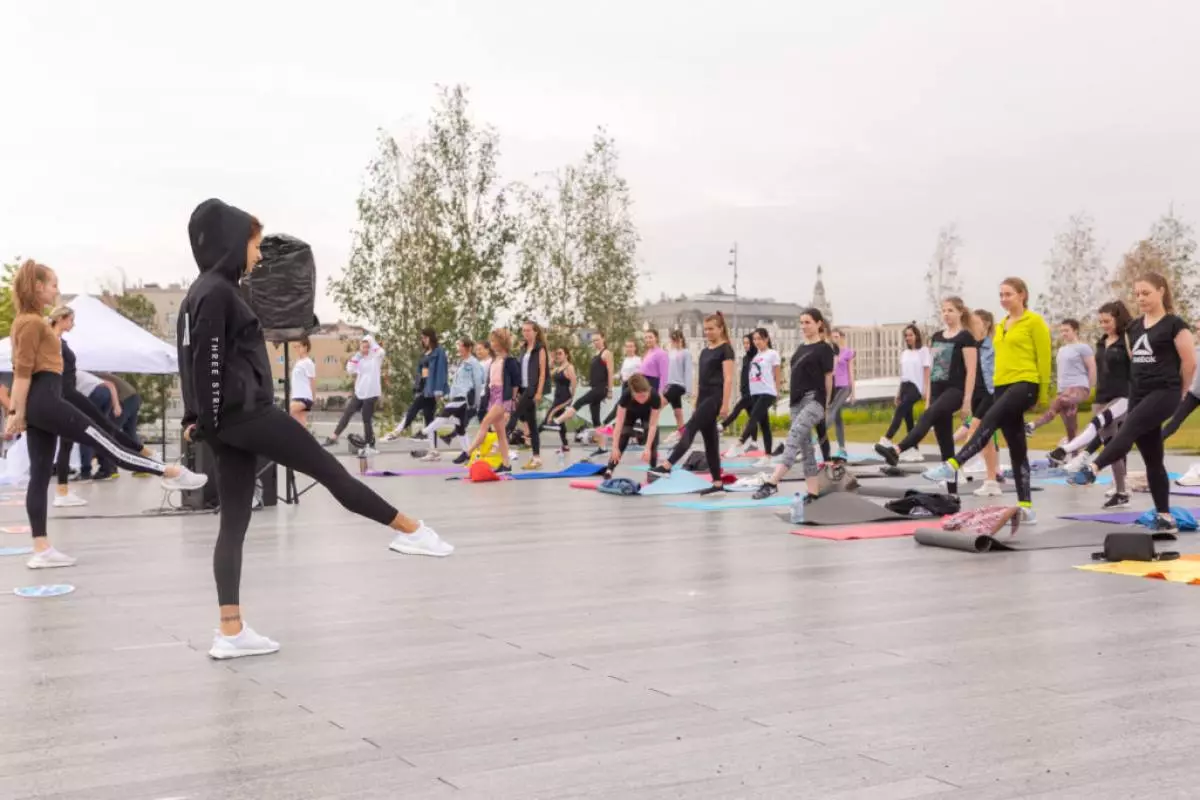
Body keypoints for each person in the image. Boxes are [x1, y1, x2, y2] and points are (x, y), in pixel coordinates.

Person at [178, 199, 453, 660]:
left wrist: (196, 419)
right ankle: (411, 530)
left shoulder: (197, 295)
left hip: (227, 424)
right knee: (330, 471)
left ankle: (231, 629)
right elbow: (206, 360)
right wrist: (203, 419)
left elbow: (189, 362)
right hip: (247, 415)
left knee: (234, 523)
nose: (260, 256)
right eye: (254, 245)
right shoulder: (220, 293)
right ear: (231, 241)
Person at [7, 260, 207, 570]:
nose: (57, 290)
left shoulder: (25, 322)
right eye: (53, 284)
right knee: (110, 446)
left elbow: (23, 374)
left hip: (39, 404)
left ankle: (41, 548)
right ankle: (172, 474)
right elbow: (22, 373)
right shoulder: (33, 323)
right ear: (36, 287)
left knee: (39, 475)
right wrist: (14, 414)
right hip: (47, 400)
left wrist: (19, 412)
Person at [1067, 273, 1195, 532]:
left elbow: (1189, 362)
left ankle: (1093, 466)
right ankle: (1165, 516)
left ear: (1161, 291)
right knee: (1153, 458)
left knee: (1130, 426)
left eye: (1146, 293)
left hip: (1165, 391)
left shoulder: (1175, 324)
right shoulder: (1133, 328)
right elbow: (1134, 362)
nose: (1141, 298)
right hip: (1139, 392)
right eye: (1137, 294)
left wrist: (1181, 392)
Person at [924, 277, 1051, 524]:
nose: (1004, 299)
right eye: (1001, 295)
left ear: (1022, 295)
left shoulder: (1034, 322)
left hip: (1025, 383)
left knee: (988, 421)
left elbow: (1044, 359)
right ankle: (1026, 506)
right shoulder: (1002, 325)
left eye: (1009, 294)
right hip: (1002, 387)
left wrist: (1042, 395)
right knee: (1017, 447)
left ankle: (954, 463)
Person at [48, 307, 160, 504]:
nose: (73, 324)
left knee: (67, 443)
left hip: (66, 394)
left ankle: (62, 491)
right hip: (68, 395)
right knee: (103, 426)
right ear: (62, 319)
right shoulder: (53, 341)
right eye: (71, 320)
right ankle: (145, 452)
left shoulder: (59, 340)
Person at [875, 298, 977, 495]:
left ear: (960, 313)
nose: (946, 314)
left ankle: (896, 450)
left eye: (950, 310)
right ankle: (953, 494)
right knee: (946, 446)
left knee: (926, 417)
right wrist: (929, 398)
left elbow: (971, 371)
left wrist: (967, 401)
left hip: (955, 390)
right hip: (938, 391)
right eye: (944, 310)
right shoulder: (937, 337)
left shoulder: (966, 337)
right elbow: (934, 370)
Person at [1046, 302, 1132, 508]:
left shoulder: (1128, 341)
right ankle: (1121, 492)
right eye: (1101, 321)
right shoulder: (1102, 342)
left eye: (1107, 321)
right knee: (1112, 447)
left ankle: (1066, 449)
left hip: (1123, 397)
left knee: (1096, 423)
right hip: (1101, 397)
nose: (1103, 325)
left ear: (1118, 319)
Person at [752, 309, 835, 505]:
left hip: (814, 399)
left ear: (819, 324)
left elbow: (828, 379)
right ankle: (813, 494)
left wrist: (826, 405)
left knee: (793, 437)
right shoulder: (799, 348)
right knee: (806, 450)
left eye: (808, 322)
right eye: (802, 322)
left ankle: (773, 482)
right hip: (795, 402)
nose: (804, 326)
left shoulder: (824, 349)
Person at [649, 312, 735, 492]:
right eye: (706, 329)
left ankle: (667, 466)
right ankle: (718, 483)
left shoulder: (726, 349)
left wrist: (725, 404)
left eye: (711, 329)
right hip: (703, 397)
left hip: (715, 397)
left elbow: (728, 379)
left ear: (720, 329)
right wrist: (696, 399)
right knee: (711, 441)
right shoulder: (704, 351)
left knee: (690, 427)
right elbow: (699, 377)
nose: (708, 332)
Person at [406, 338, 486, 463]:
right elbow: (456, 382)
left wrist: (475, 404)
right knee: (460, 428)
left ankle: (424, 432)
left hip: (465, 398)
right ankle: (468, 453)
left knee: (444, 413)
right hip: (457, 396)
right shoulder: (462, 363)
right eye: (458, 346)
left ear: (468, 348)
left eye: (460, 346)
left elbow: (478, 383)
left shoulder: (474, 363)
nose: (458, 348)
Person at [954, 309, 1004, 497]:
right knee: (987, 439)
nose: (971, 326)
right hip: (976, 394)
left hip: (990, 394)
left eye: (975, 323)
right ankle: (991, 481)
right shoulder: (970, 345)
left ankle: (956, 465)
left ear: (986, 324)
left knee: (974, 429)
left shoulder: (994, 345)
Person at [1026, 319, 1095, 441]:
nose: (1063, 333)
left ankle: (1033, 425)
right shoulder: (1061, 350)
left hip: (1078, 387)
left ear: (1075, 331)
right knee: (1071, 429)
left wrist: (1088, 388)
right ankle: (1074, 456)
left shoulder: (1083, 347)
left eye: (1067, 330)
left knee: (1059, 403)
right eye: (1062, 331)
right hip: (1062, 390)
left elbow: (1092, 368)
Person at [465, 328, 520, 474]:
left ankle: (468, 452)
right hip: (493, 396)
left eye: (494, 340)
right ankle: (506, 464)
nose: (492, 343)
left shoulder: (510, 361)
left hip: (504, 397)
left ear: (501, 342)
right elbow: (490, 381)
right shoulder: (495, 360)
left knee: (485, 422)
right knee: (501, 434)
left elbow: (516, 383)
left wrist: (510, 404)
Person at [724, 328, 780, 466]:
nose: (756, 342)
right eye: (754, 339)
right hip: (755, 393)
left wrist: (777, 392)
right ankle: (767, 456)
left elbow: (777, 374)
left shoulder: (772, 354)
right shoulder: (756, 356)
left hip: (767, 392)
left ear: (766, 339)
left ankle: (739, 443)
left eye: (759, 339)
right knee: (764, 425)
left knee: (753, 417)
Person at [324, 335, 385, 452]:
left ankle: (369, 444)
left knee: (366, 418)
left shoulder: (376, 358)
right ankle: (334, 437)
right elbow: (350, 369)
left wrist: (372, 345)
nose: (365, 349)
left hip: (371, 393)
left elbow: (382, 351)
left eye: (368, 347)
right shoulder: (359, 359)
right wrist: (358, 355)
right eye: (363, 347)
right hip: (360, 391)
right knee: (347, 413)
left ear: (371, 346)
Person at [879, 324, 930, 454]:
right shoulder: (905, 353)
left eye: (910, 335)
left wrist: (926, 390)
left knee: (900, 410)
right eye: (906, 335)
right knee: (908, 419)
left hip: (916, 387)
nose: (908, 338)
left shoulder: (923, 351)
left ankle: (887, 438)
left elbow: (926, 372)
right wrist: (898, 393)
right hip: (905, 386)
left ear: (917, 335)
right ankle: (914, 449)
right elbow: (903, 375)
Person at [504, 321, 549, 470]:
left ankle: (502, 439)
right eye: (524, 330)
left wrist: (539, 392)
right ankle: (536, 457)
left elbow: (542, 372)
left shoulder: (540, 349)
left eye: (529, 330)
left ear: (535, 332)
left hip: (532, 388)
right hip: (523, 388)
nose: (526, 333)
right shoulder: (523, 348)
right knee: (532, 424)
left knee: (515, 414)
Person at [550, 332, 612, 434]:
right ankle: (602, 448)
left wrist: (609, 391)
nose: (595, 342)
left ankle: (557, 421)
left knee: (579, 402)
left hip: (600, 388)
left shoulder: (606, 353)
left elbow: (610, 372)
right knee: (595, 420)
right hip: (595, 388)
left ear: (603, 339)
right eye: (593, 341)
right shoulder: (596, 354)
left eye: (597, 340)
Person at [603, 373, 664, 476]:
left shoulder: (655, 396)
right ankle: (609, 469)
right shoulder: (626, 395)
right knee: (623, 436)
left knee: (653, 439)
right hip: (630, 413)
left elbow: (653, 424)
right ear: (632, 393)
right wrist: (614, 447)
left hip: (646, 414)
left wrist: (647, 448)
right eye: (638, 396)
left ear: (648, 390)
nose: (641, 400)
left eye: (644, 396)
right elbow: (619, 423)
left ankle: (653, 471)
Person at [403, 329, 449, 442]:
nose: (423, 340)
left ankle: (399, 429)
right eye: (422, 338)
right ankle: (433, 450)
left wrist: (438, 390)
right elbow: (420, 371)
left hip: (431, 388)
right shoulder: (425, 352)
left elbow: (441, 371)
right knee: (429, 419)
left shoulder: (439, 351)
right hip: (423, 386)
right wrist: (417, 387)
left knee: (414, 408)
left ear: (431, 337)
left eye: (425, 337)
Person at [541, 347, 577, 453]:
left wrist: (572, 398)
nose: (558, 356)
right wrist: (551, 361)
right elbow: (547, 373)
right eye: (557, 354)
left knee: (547, 419)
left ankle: (531, 440)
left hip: (564, 397)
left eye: (560, 353)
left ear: (566, 355)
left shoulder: (569, 367)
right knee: (560, 422)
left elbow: (574, 383)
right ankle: (565, 445)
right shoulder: (558, 368)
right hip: (557, 396)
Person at [719, 335, 755, 437]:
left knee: (737, 408)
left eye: (748, 343)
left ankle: (723, 425)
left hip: (751, 392)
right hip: (744, 391)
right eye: (744, 343)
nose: (746, 345)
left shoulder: (756, 358)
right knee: (752, 417)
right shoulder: (745, 358)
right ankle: (754, 442)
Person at [828, 328, 856, 458]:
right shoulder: (831, 353)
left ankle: (818, 436)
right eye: (832, 337)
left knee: (832, 411)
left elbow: (851, 372)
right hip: (834, 388)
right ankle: (842, 448)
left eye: (837, 336)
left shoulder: (848, 352)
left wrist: (853, 392)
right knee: (837, 418)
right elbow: (830, 373)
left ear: (841, 337)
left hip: (845, 387)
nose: (834, 339)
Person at [602, 338, 643, 427]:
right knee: (625, 407)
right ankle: (624, 426)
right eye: (627, 347)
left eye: (631, 346)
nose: (629, 349)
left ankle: (605, 423)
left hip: (632, 386)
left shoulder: (638, 360)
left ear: (635, 348)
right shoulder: (625, 360)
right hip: (624, 385)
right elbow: (622, 374)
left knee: (620, 405)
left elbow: (641, 374)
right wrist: (610, 377)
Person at [663, 330, 693, 443]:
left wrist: (688, 390)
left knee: (657, 405)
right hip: (670, 384)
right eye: (672, 339)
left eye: (676, 339)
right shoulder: (670, 352)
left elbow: (688, 371)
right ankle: (684, 437)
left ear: (681, 339)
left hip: (679, 385)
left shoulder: (685, 353)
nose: (674, 341)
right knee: (678, 413)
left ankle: (648, 434)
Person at [287, 336, 316, 428]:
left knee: (286, 413)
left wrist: (313, 397)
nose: (297, 349)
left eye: (299, 346)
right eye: (295, 347)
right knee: (300, 425)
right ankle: (306, 441)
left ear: (305, 347)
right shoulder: (298, 362)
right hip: (297, 396)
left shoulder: (308, 362)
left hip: (304, 397)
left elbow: (312, 380)